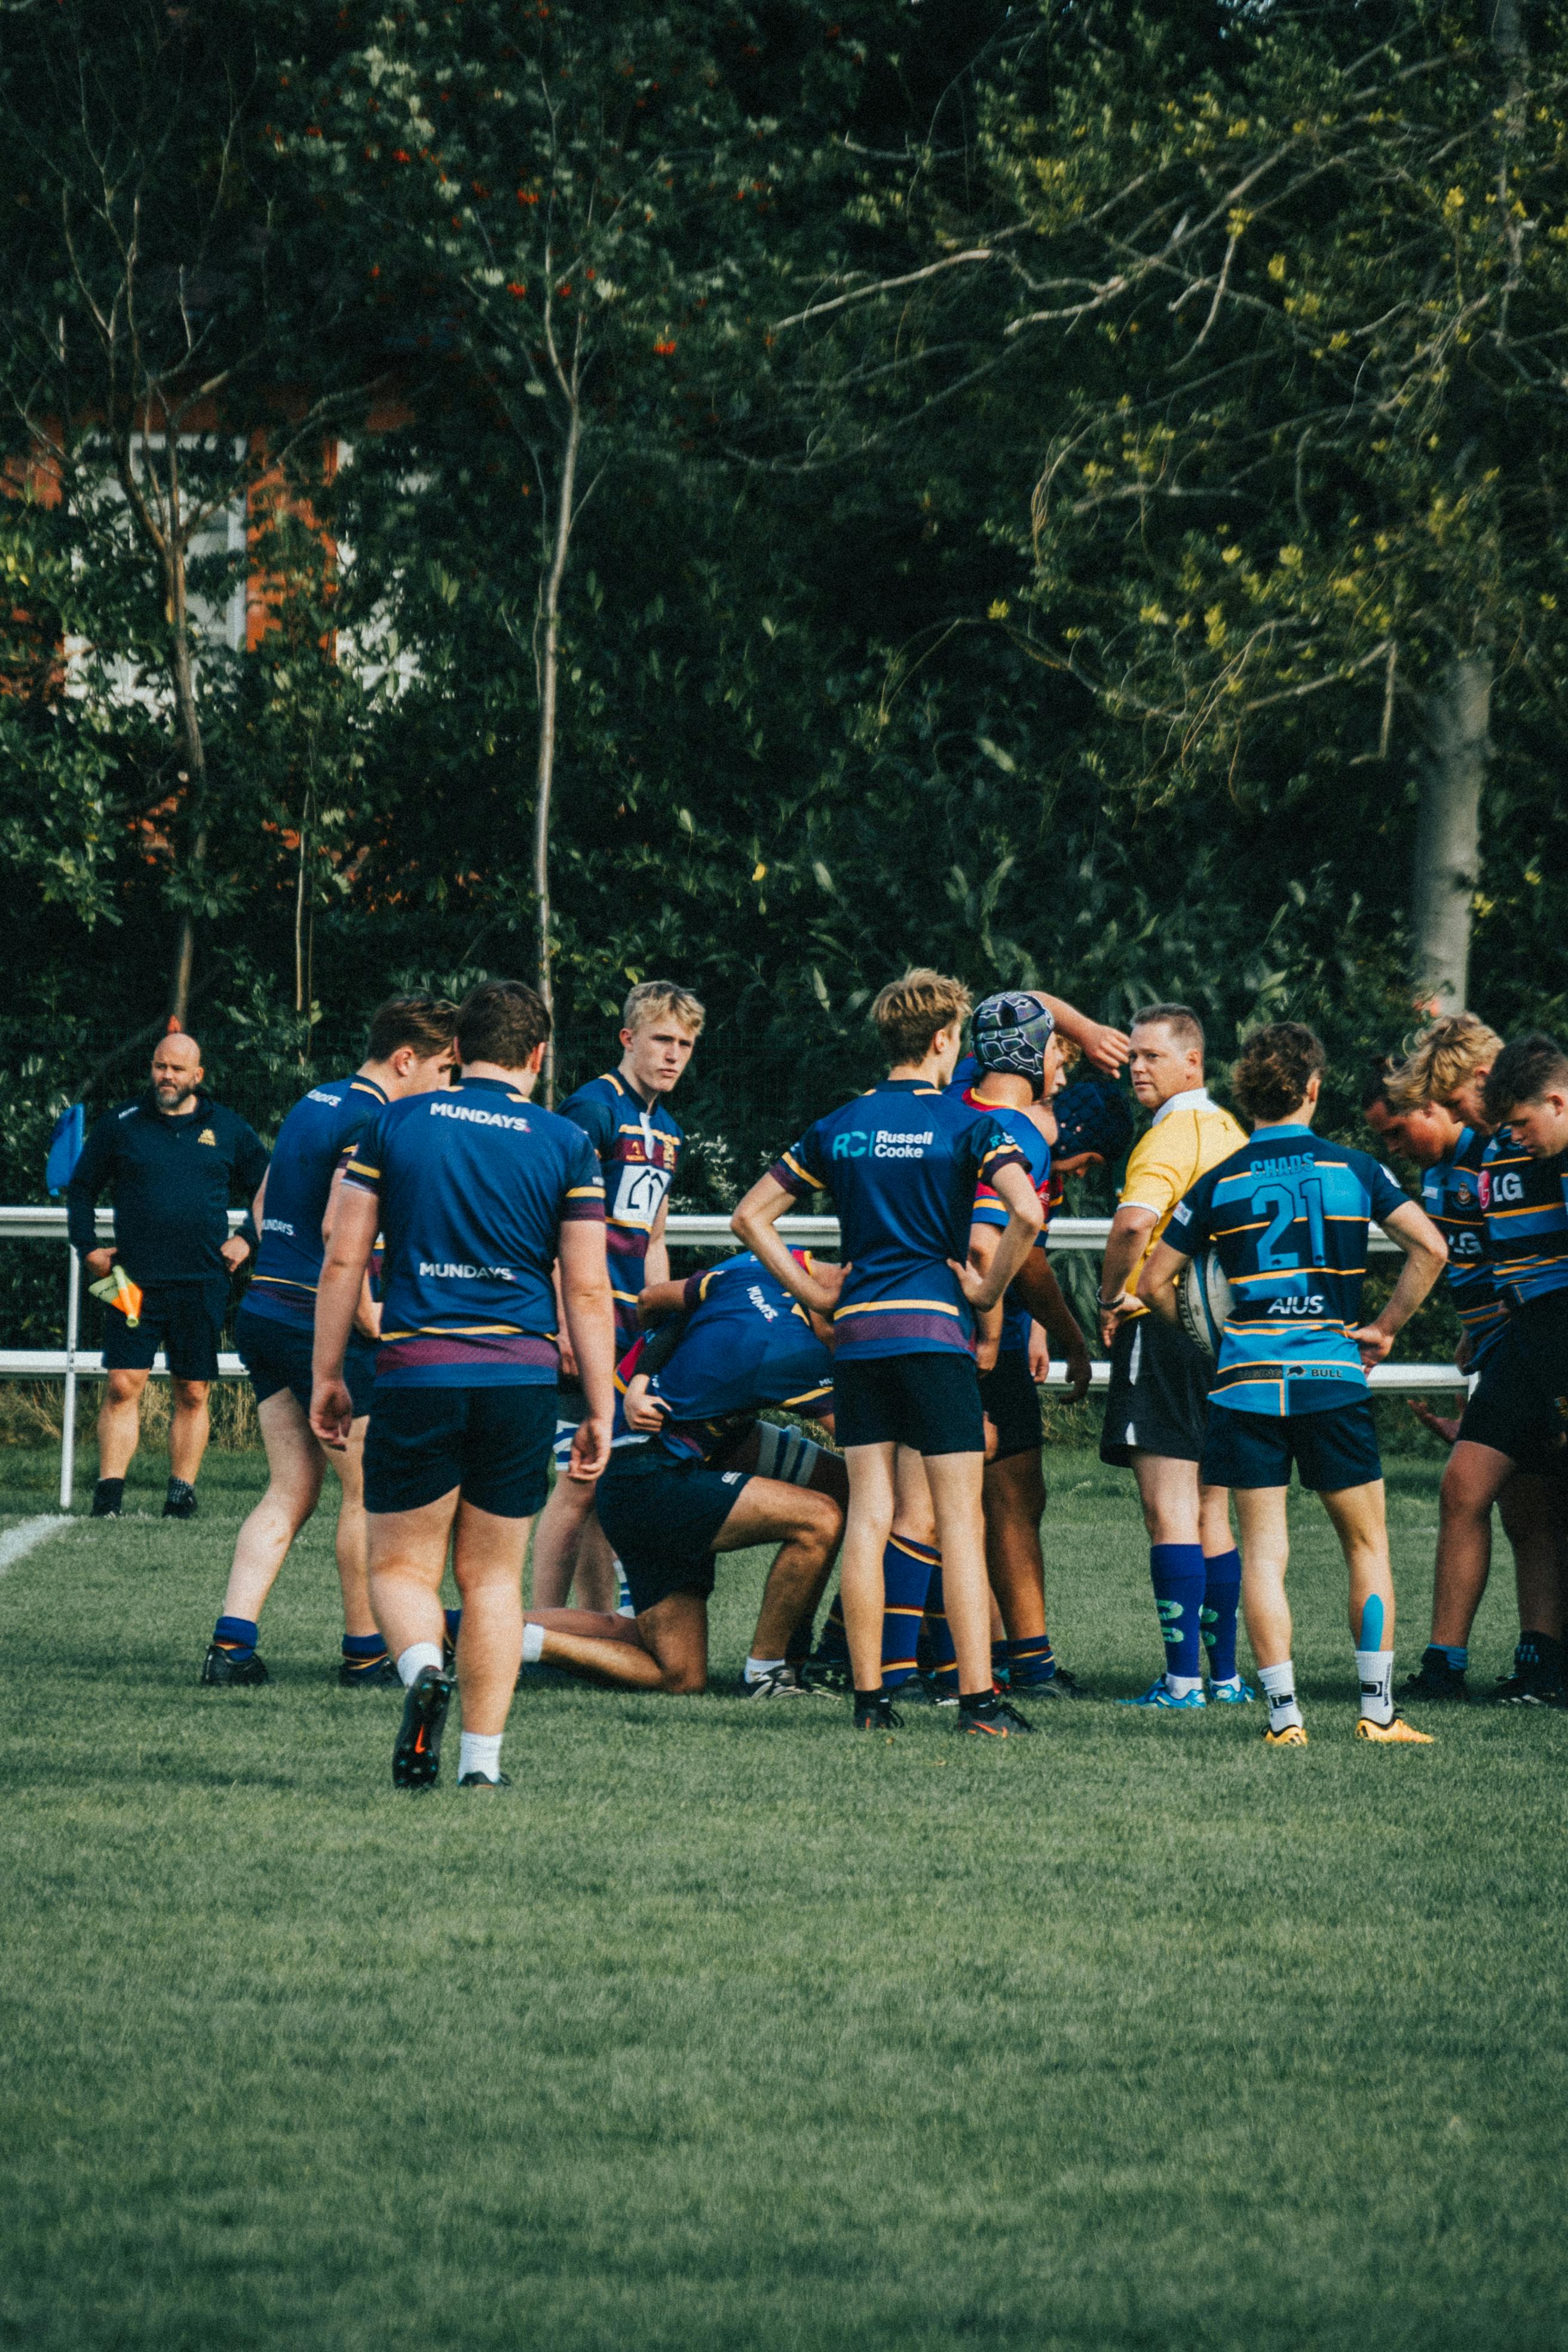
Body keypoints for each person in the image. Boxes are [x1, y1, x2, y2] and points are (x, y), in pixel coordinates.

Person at [310, 979, 615, 1794]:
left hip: (417, 1367)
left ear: (457, 1050)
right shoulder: (564, 1142)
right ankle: (482, 1765)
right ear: (539, 1056)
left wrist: (329, 1373)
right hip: (518, 1377)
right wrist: (599, 1404)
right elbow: (587, 1289)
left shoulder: (396, 1122)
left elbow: (344, 1256)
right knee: (492, 1581)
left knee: (402, 1568)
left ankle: (421, 1678)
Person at [732, 967, 1044, 1737]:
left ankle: (871, 1702)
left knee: (870, 1515)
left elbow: (748, 1217)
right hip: (933, 1335)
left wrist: (813, 1295)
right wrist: (982, 1289)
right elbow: (1027, 1213)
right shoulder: (969, 1123)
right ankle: (978, 1703)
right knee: (958, 1520)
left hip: (861, 1337)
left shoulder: (840, 1124)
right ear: (944, 1041)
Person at [1138, 1021, 1447, 1746]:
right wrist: (1385, 1326)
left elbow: (1153, 1280)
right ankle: (1375, 1713)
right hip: (1328, 1379)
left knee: (1264, 1551)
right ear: (1313, 1089)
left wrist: (1211, 1342)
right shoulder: (1354, 1171)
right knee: (1365, 1547)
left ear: (1247, 1094)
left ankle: (1284, 1720)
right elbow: (1428, 1246)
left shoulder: (1218, 1182)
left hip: (1245, 1385)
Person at [199, 996, 458, 1689]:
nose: (448, 1085)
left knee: (290, 1489)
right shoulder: (369, 1117)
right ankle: (366, 1650)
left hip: (264, 1310)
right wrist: (372, 1316)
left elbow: (260, 1208)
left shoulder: (313, 1101)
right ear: (406, 1060)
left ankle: (231, 1646)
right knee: (366, 1493)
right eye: (443, 1069)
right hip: (322, 1321)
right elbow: (337, 1229)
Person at [532, 1250, 849, 1695]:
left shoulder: (758, 1267)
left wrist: (640, 1380)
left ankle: (485, 1634)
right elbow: (866, 1447)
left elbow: (651, 1302)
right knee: (821, 1517)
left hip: (642, 1466)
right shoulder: (795, 1356)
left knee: (679, 1675)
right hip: (653, 1478)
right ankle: (771, 1671)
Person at [1364, 1030, 1568, 1705]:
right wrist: (1477, 1327)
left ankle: (1540, 1661)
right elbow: (1497, 1257)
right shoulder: (1497, 1151)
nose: (1459, 1112)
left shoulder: (1534, 1141)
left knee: (1529, 1506)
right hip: (1517, 1345)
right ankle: (1456, 1664)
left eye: (1454, 1098)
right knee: (1486, 1494)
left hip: (1544, 1343)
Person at [532, 980, 705, 1614]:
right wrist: (560, 1322)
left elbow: (652, 1233)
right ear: (628, 1038)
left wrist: (658, 1322)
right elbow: (549, 1221)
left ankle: (592, 1624)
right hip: (582, 1316)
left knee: (608, 1484)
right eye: (661, 1040)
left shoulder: (671, 1129)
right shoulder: (592, 1108)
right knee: (579, 1481)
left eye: (685, 1044)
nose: (673, 1055)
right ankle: (537, 1630)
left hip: (630, 1325)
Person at [1097, 1005, 1251, 1707]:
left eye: (1152, 1056)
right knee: (1211, 1510)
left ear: (1193, 1062)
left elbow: (1133, 1224)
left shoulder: (1170, 1136)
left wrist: (1108, 1297)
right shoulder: (1228, 1130)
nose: (1136, 1067)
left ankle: (1181, 1681)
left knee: (1168, 1511)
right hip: (1223, 1336)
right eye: (1132, 1056)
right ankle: (1223, 1679)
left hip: (1160, 1326)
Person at [68, 1029, 270, 1521]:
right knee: (122, 1384)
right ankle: (108, 1499)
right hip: (130, 1280)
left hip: (202, 1280)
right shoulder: (122, 1123)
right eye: (161, 1066)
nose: (167, 1076)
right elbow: (81, 1189)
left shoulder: (227, 1128)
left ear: (197, 1076)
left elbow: (273, 1185)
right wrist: (89, 1249)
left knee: (193, 1389)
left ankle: (180, 1496)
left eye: (178, 1069)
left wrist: (249, 1239)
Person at [950, 991, 1091, 1696]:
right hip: (981, 1337)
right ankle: (1026, 1665)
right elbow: (1003, 1249)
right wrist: (1064, 1331)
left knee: (926, 1504)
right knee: (1010, 1496)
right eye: (1057, 1047)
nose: (1063, 1059)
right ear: (1032, 1054)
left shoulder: (948, 1102)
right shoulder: (1020, 1132)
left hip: (914, 1328)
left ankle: (888, 1654)